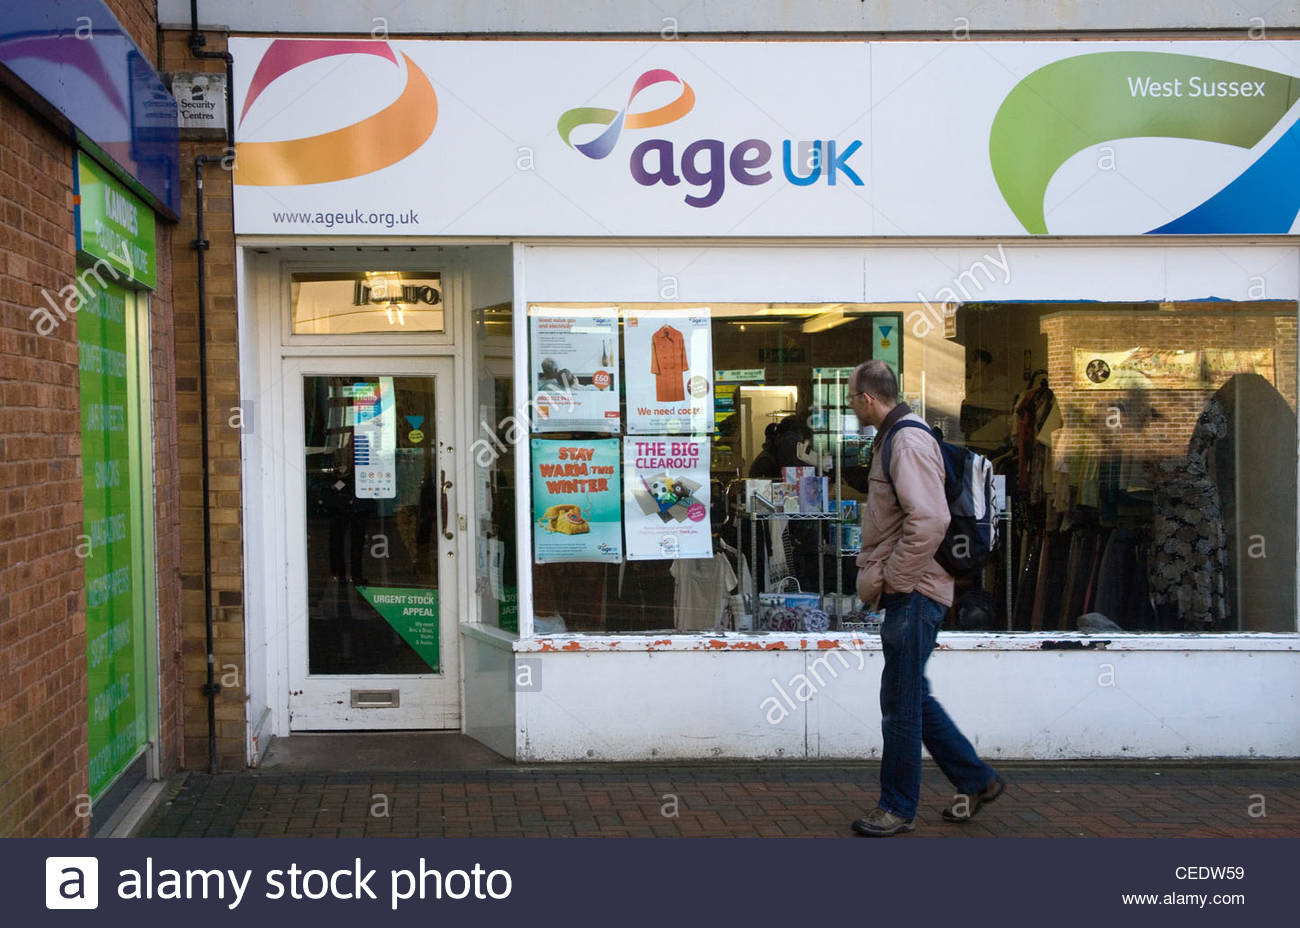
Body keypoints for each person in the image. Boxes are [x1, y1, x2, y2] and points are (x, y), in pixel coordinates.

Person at [846, 360, 1004, 837]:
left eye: (852, 398)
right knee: (909, 693)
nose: (851, 406)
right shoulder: (899, 436)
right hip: (913, 587)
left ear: (868, 398)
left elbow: (930, 520)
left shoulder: (907, 441)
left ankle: (896, 807)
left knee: (900, 703)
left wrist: (896, 578)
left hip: (915, 590)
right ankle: (976, 779)